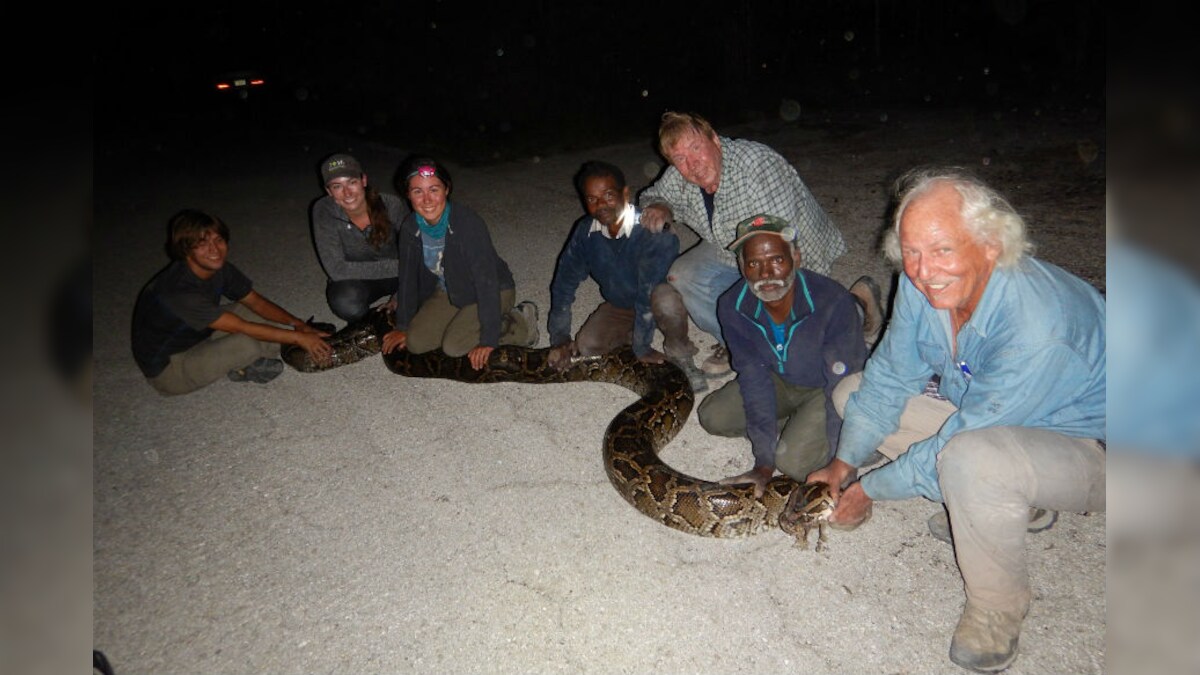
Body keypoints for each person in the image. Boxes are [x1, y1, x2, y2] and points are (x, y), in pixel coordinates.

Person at [806, 168, 1106, 672]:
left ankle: (996, 608)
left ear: (991, 245)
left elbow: (958, 440)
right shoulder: (922, 283)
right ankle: (1018, 502)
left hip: (1099, 449)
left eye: (942, 249)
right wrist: (844, 464)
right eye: (911, 252)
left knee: (970, 460)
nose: (924, 270)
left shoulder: (1038, 326)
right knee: (851, 393)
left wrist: (869, 489)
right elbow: (890, 376)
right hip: (1002, 413)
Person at [638, 111, 883, 376]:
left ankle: (856, 307)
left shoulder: (758, 165)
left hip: (789, 254)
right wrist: (659, 205)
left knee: (805, 340)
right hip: (730, 248)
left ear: (715, 140)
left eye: (696, 148)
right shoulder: (678, 176)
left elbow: (778, 247)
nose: (692, 164)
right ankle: (738, 344)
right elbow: (652, 195)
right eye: (680, 158)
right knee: (683, 275)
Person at [697, 214, 867, 496]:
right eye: (754, 263)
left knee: (793, 463)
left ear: (796, 258)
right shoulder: (732, 305)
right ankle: (794, 427)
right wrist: (764, 463)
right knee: (713, 416)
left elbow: (842, 387)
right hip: (780, 378)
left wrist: (843, 463)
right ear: (741, 267)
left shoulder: (832, 301)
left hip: (826, 385)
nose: (766, 273)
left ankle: (865, 441)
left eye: (777, 259)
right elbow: (753, 377)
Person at [131, 209, 333, 395]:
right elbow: (242, 327)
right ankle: (244, 364)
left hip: (197, 333)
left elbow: (256, 302)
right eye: (202, 244)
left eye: (218, 240)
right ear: (185, 250)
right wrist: (298, 338)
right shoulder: (178, 291)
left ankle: (277, 347)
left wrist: (297, 324)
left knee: (248, 312)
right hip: (170, 369)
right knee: (246, 345)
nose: (214, 250)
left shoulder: (219, 268)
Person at [546, 160, 706, 389]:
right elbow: (563, 284)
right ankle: (632, 336)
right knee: (589, 346)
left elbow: (647, 293)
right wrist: (560, 337)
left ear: (625, 194)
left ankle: (681, 353)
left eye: (608, 195)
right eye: (592, 199)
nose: (601, 205)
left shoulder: (654, 230)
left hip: (656, 298)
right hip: (621, 304)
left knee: (666, 300)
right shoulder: (585, 232)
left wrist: (642, 347)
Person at [381, 156, 538, 371]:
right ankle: (462, 323)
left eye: (434, 189)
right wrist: (403, 325)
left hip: (493, 290)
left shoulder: (467, 224)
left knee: (454, 346)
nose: (427, 199)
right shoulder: (410, 228)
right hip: (450, 290)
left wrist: (489, 340)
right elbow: (408, 279)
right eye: (418, 191)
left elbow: (486, 282)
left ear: (446, 189)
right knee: (416, 343)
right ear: (408, 195)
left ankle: (521, 321)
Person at [310, 152, 408, 322]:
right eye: (337, 186)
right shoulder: (323, 210)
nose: (347, 193)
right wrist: (402, 266)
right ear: (328, 191)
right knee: (345, 303)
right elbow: (336, 269)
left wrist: (400, 297)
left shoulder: (391, 204)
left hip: (399, 275)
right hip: (360, 278)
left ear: (363, 181)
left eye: (352, 182)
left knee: (432, 280)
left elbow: (416, 253)